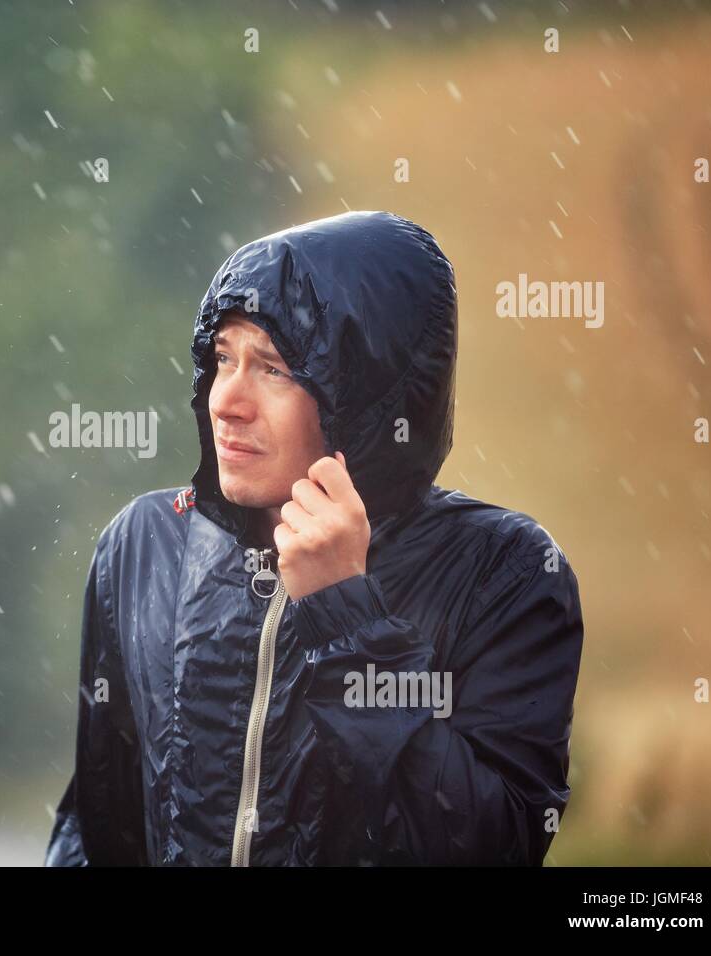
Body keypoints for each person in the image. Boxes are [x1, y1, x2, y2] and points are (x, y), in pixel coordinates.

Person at [44, 210, 585, 866]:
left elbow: (491, 848)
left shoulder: (504, 570)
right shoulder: (146, 544)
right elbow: (96, 830)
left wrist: (344, 612)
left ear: (363, 394)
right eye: (222, 357)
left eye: (273, 367)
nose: (226, 401)